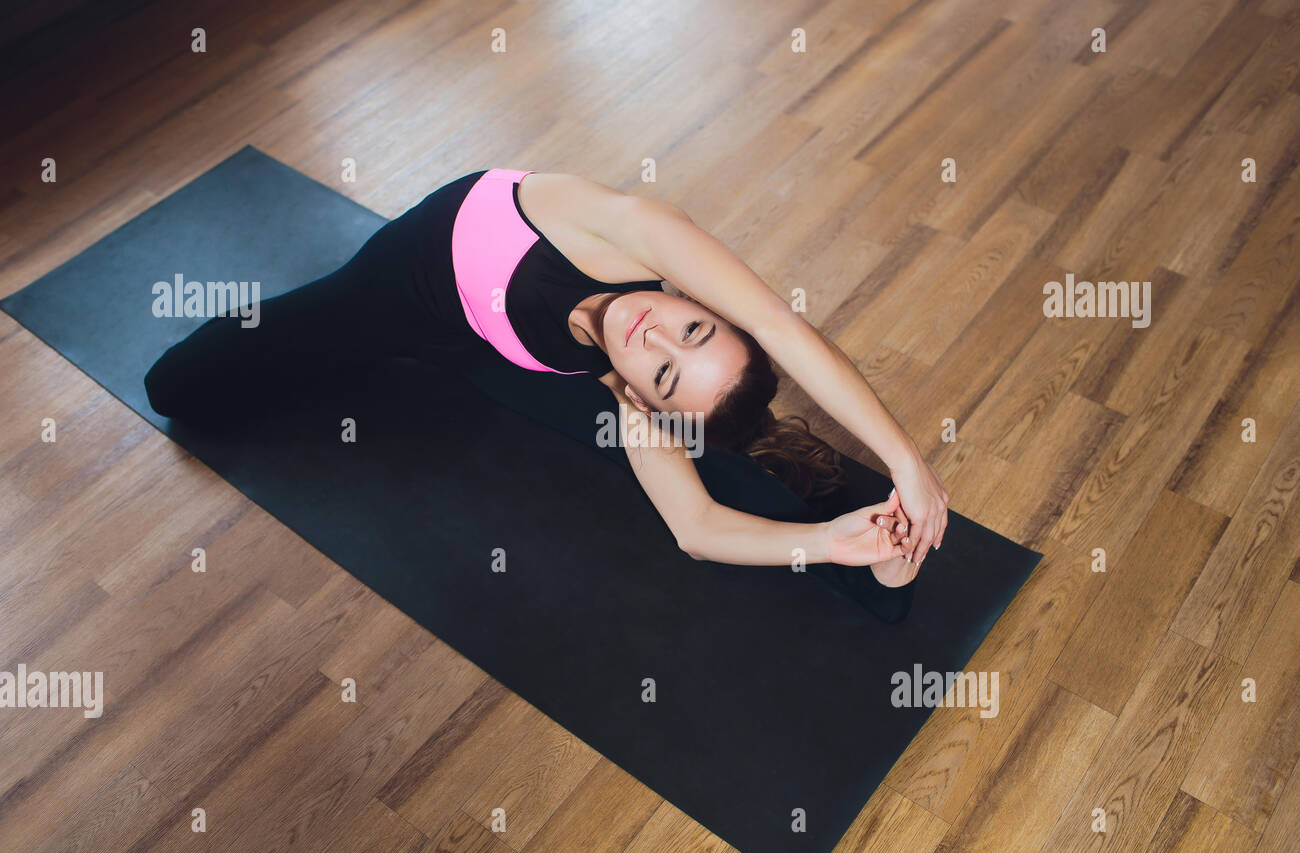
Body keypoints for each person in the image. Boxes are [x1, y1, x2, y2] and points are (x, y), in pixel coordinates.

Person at [144, 168, 949, 621]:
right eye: (695, 329)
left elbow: (696, 528)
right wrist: (905, 462)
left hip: (469, 345)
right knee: (179, 384)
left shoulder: (623, 391)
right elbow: (777, 321)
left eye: (664, 373)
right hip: (381, 295)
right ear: (705, 302)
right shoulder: (620, 228)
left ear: (640, 398)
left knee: (720, 475)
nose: (654, 336)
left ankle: (858, 550)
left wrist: (832, 545)